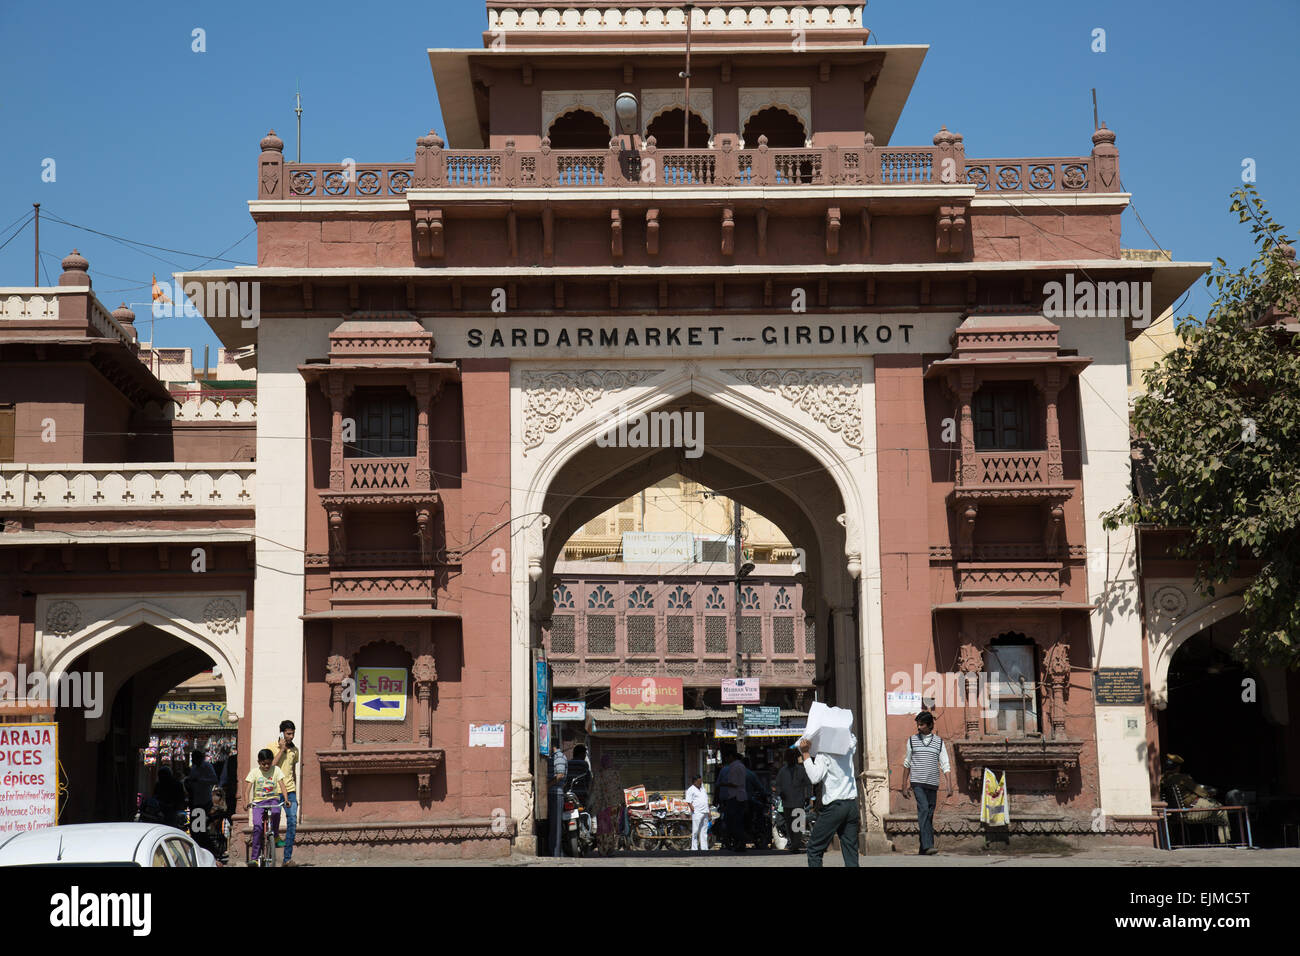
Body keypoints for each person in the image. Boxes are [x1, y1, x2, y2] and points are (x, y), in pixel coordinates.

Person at [798, 731, 859, 867]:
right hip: (851, 804)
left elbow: (815, 777)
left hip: (834, 806)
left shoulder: (824, 753)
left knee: (814, 848)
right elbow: (852, 737)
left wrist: (806, 753)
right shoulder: (849, 746)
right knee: (850, 851)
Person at [901, 711, 952, 855]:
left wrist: (949, 784)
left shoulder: (939, 742)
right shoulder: (912, 740)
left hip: (932, 783)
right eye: (918, 724)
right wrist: (904, 785)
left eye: (922, 724)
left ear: (930, 725)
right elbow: (907, 763)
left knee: (929, 814)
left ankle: (923, 847)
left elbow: (945, 763)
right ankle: (929, 845)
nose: (918, 727)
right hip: (917, 783)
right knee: (923, 809)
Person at [244, 748, 288, 866]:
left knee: (276, 812)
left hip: (273, 799)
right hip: (258, 803)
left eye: (269, 763)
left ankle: (276, 836)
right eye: (263, 764)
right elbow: (247, 790)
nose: (266, 766)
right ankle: (254, 858)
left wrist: (286, 799)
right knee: (258, 827)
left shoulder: (276, 770)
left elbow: (283, 786)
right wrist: (245, 802)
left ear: (272, 761)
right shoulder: (254, 772)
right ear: (259, 762)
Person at [267, 720, 301, 866]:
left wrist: (295, 789)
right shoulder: (271, 747)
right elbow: (270, 766)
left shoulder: (295, 750)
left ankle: (287, 859)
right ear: (281, 733)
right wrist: (281, 749)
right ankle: (271, 845)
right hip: (274, 790)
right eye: (288, 734)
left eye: (293, 733)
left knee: (292, 821)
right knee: (273, 818)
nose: (291, 737)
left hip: (290, 791)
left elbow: (292, 770)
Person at [587, 753, 626, 856]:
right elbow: (620, 788)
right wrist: (623, 802)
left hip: (601, 806)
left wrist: (589, 804)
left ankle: (602, 850)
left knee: (602, 828)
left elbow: (594, 790)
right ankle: (610, 849)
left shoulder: (598, 774)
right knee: (612, 828)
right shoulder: (615, 773)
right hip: (614, 805)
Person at [774, 749, 812, 851]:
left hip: (799, 801)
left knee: (798, 825)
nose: (791, 759)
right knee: (789, 824)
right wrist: (780, 792)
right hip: (787, 802)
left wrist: (808, 796)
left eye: (792, 757)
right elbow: (777, 785)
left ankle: (796, 844)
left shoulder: (801, 770)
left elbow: (808, 783)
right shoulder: (783, 771)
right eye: (789, 757)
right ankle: (794, 843)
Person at [184, 750, 218, 850]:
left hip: (204, 801)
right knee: (195, 827)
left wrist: (200, 781)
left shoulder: (207, 766)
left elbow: (214, 780)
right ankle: (199, 845)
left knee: (200, 827)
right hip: (195, 800)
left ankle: (207, 847)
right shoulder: (193, 768)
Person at [717, 751, 748, 851]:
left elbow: (734, 783)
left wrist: (723, 784)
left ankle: (739, 842)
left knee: (734, 822)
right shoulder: (741, 766)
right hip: (741, 797)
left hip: (735, 797)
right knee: (737, 821)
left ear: (731, 756)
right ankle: (739, 843)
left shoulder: (734, 767)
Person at [547, 742, 568, 857]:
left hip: (556, 793)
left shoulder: (559, 757)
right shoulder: (552, 757)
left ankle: (556, 853)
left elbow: (560, 775)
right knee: (552, 825)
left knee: (555, 826)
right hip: (552, 793)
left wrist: (546, 786)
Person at [685, 771, 710, 851]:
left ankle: (704, 848)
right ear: (695, 781)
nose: (700, 783)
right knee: (695, 831)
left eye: (701, 781)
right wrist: (693, 810)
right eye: (699, 782)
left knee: (704, 831)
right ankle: (694, 848)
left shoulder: (703, 788)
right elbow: (689, 801)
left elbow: (706, 799)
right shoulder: (690, 790)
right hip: (697, 812)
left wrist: (708, 811)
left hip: (705, 812)